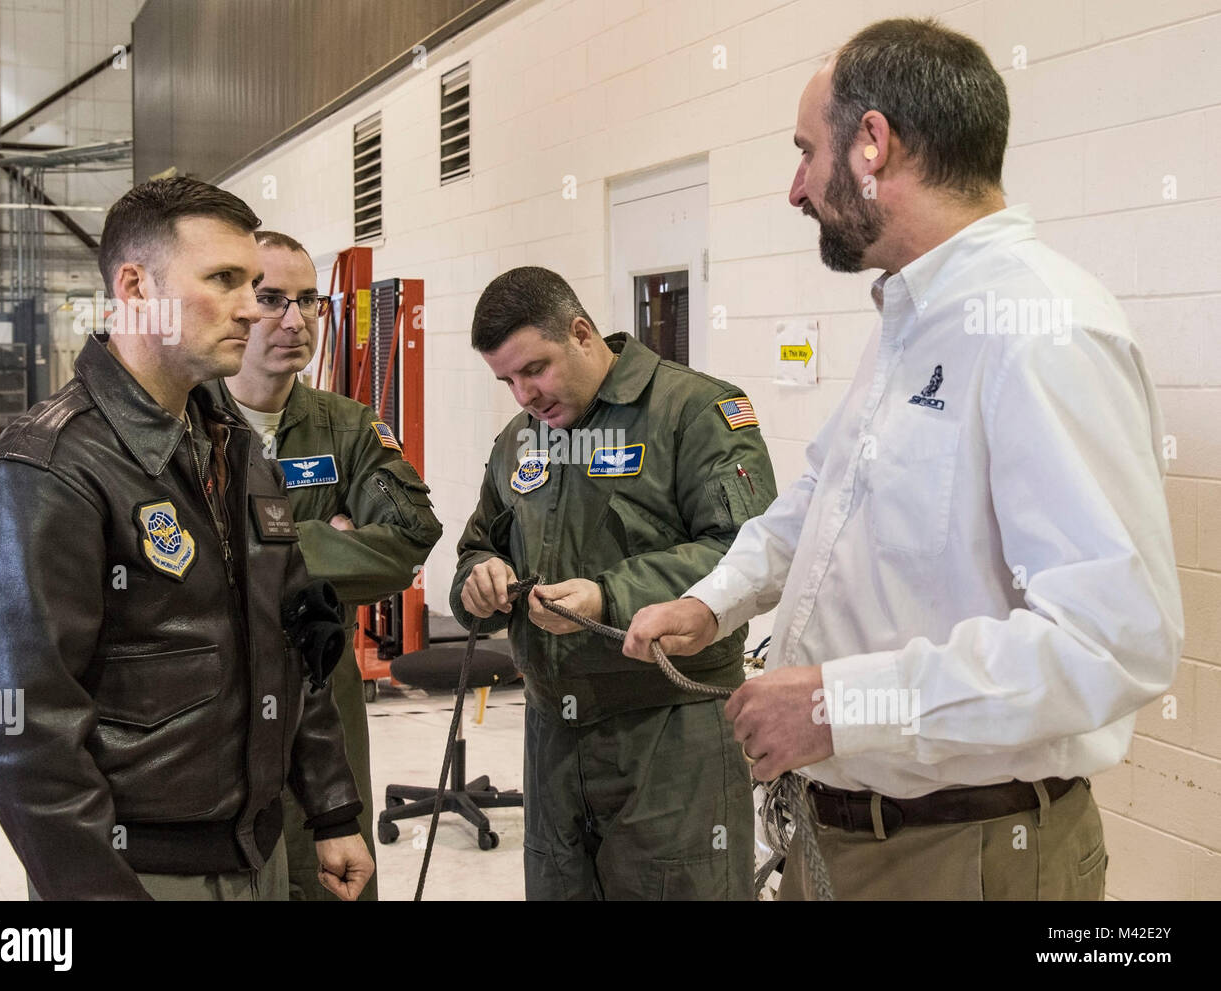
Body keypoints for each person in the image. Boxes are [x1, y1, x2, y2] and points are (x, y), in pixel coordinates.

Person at [623, 18, 1184, 900]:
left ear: (873, 145)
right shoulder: (918, 317)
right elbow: (823, 498)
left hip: (966, 852)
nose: (796, 188)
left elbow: (1111, 643)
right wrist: (712, 600)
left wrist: (841, 704)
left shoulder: (1040, 327)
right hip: (854, 835)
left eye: (808, 152)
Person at [0, 177, 373, 901]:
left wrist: (330, 807)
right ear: (137, 287)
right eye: (225, 280)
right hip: (139, 874)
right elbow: (23, 739)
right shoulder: (44, 476)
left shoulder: (232, 446)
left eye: (255, 283)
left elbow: (297, 641)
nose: (252, 308)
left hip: (258, 856)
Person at [450, 266, 777, 900]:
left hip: (669, 729)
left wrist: (609, 596)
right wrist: (478, 581)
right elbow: (478, 544)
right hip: (552, 735)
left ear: (581, 333)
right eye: (507, 380)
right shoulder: (521, 441)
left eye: (535, 369)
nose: (524, 395)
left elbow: (747, 551)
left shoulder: (694, 412)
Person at [211, 229, 443, 901]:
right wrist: (333, 538)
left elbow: (409, 538)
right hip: (215, 696)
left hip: (323, 686)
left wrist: (271, 546)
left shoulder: (346, 427)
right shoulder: (190, 424)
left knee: (334, 871)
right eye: (273, 299)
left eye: (309, 299)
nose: (296, 319)